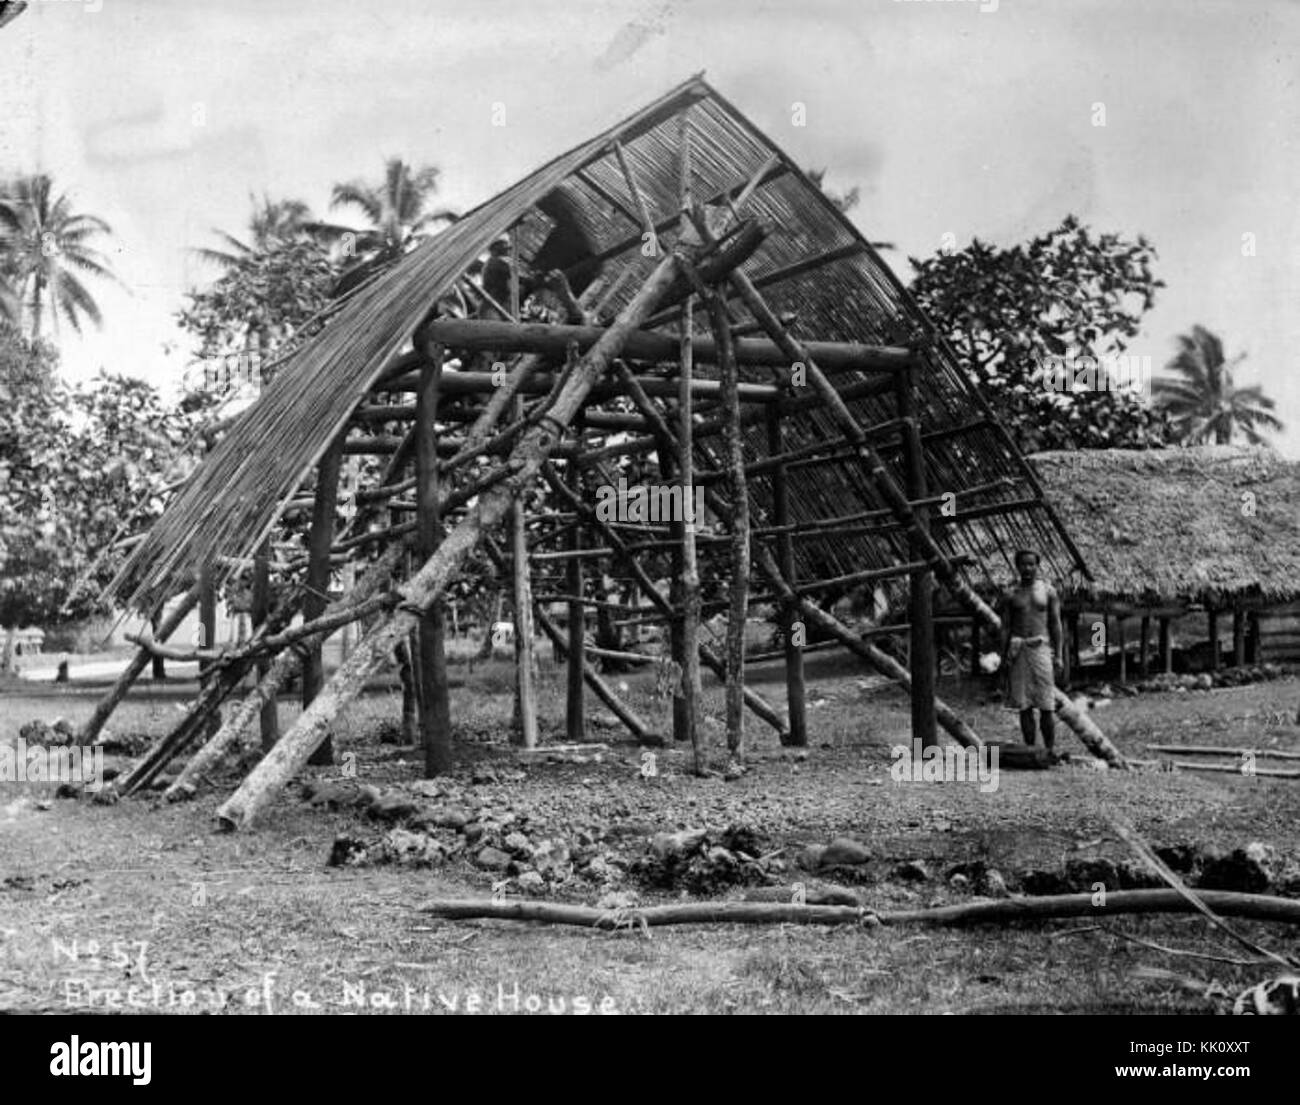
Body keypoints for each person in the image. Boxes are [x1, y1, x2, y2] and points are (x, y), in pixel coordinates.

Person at [1000, 549, 1063, 756]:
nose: (1027, 568)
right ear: (1017, 567)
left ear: (1037, 566)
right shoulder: (1011, 594)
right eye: (1023, 564)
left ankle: (1050, 749)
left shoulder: (1048, 591)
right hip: (1019, 650)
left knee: (1046, 703)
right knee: (1024, 704)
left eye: (1031, 564)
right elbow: (1006, 627)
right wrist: (1004, 656)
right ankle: (1030, 749)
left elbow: (1055, 624)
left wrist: (1059, 655)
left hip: (1041, 648)